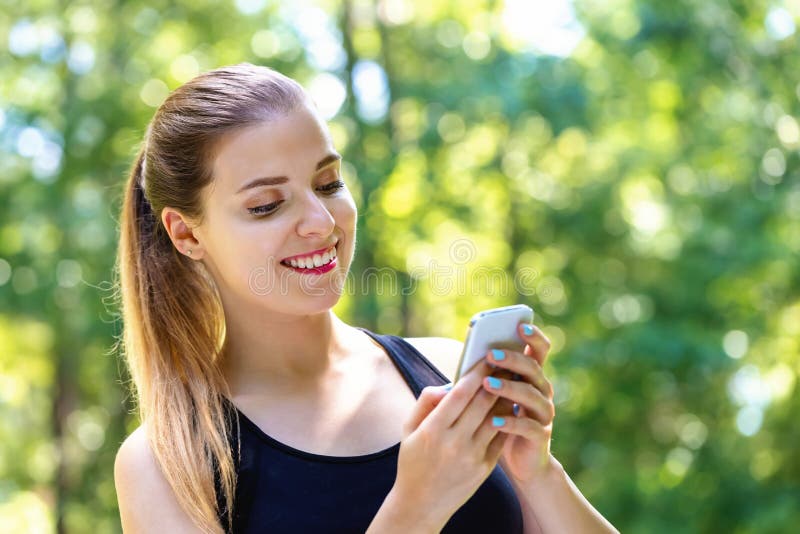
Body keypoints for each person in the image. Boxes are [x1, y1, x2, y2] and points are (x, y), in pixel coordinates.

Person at [113, 62, 618, 534]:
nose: (322, 221)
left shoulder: (443, 374)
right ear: (187, 235)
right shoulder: (164, 464)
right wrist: (416, 507)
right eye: (266, 206)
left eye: (328, 182)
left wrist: (537, 473)